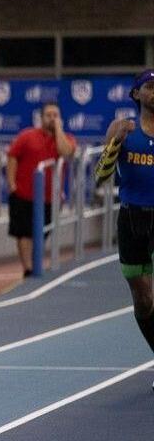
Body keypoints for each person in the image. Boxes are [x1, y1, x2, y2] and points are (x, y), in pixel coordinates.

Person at [94, 70, 154, 386]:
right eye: (150, 87)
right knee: (144, 300)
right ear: (136, 94)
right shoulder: (123, 130)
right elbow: (100, 177)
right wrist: (114, 143)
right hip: (132, 220)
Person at [8, 102, 76, 277]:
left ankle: (34, 261)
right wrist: (11, 183)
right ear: (41, 117)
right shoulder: (27, 136)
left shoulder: (67, 138)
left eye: (55, 115)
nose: (52, 118)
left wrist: (58, 130)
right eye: (48, 115)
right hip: (24, 193)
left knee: (42, 232)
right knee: (24, 233)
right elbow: (12, 156)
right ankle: (28, 268)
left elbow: (66, 152)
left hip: (50, 197)